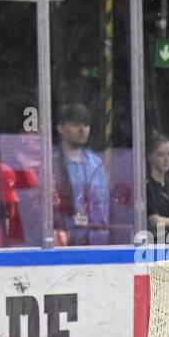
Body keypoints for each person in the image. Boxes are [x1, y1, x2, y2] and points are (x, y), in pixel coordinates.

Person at [52, 102, 109, 246]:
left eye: (86, 124)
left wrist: (98, 245)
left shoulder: (96, 164)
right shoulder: (49, 161)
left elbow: (101, 208)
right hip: (57, 242)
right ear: (60, 128)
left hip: (89, 244)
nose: (82, 130)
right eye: (75, 124)